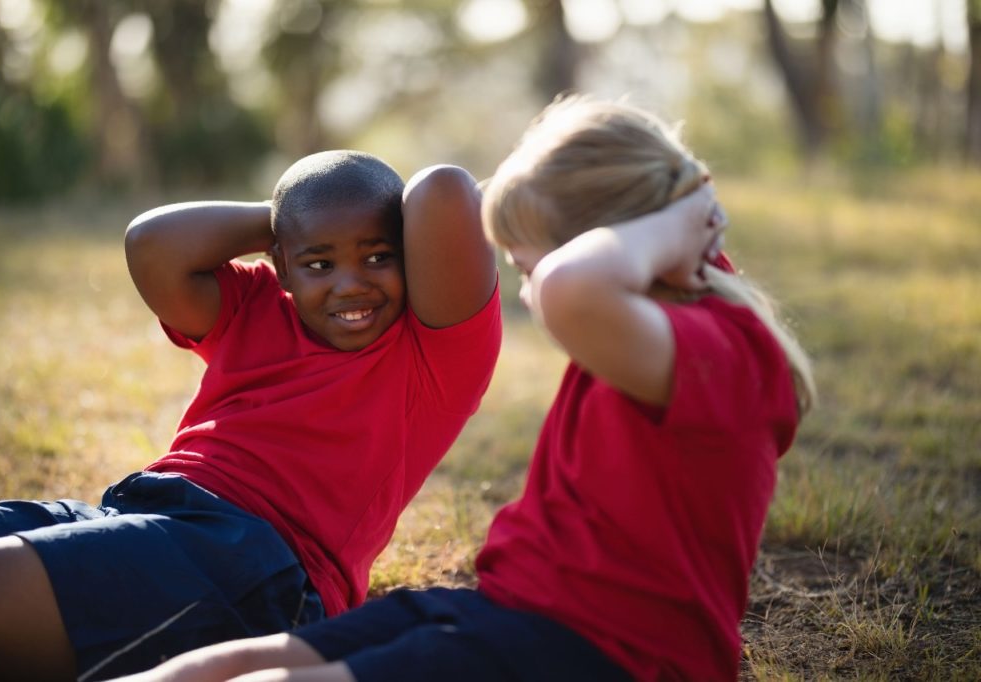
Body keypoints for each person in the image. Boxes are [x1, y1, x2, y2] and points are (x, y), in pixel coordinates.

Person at [111, 96, 816, 682]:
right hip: (514, 609)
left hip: (609, 655)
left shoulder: (725, 352)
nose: (528, 284)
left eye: (530, 259)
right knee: (212, 670)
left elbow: (571, 291)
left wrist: (670, 215)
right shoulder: (664, 322)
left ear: (622, 241)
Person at [0, 151, 501, 681]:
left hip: (251, 563)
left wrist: (320, 220)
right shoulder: (260, 304)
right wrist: (290, 215)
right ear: (281, 265)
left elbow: (444, 190)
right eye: (319, 263)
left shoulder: (431, 360)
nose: (350, 283)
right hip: (130, 511)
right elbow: (150, 245)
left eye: (378, 255)